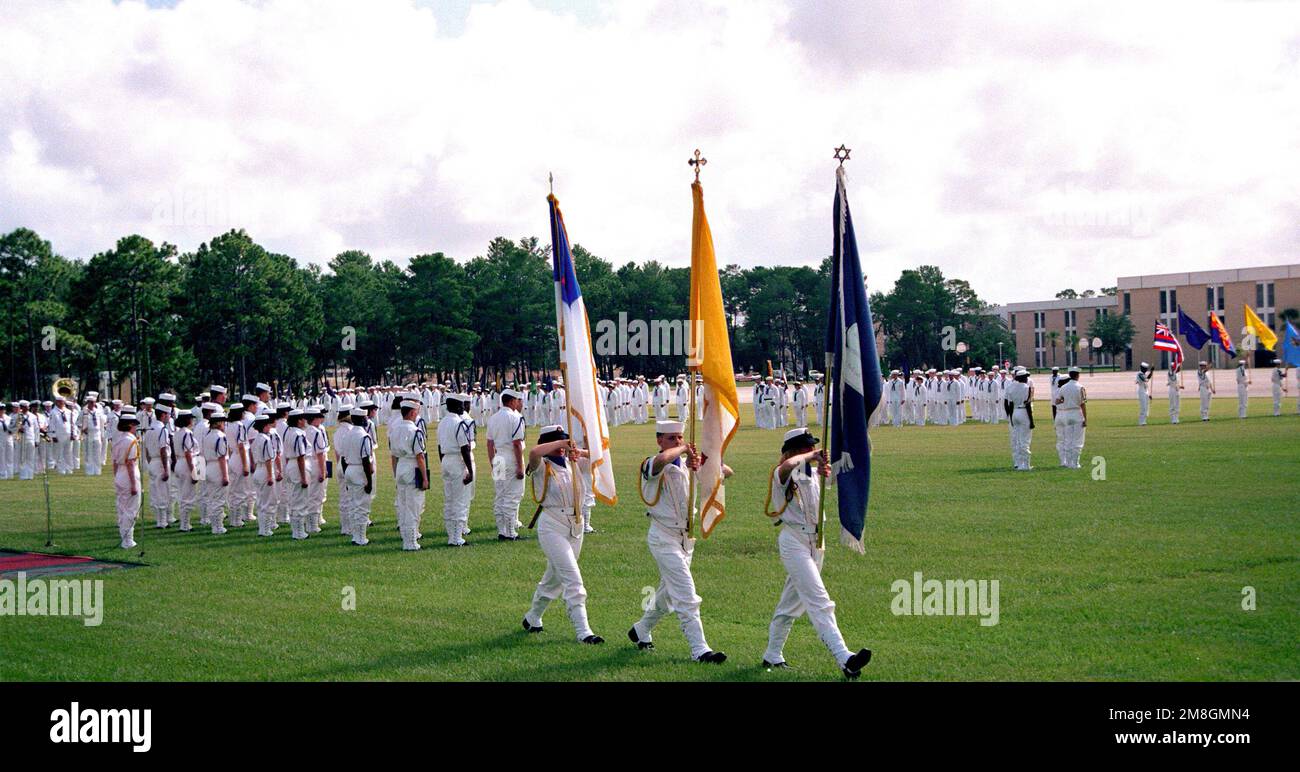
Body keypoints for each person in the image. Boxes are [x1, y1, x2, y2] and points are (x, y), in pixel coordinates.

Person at [761, 427, 872, 678]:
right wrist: (810, 458)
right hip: (794, 541)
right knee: (819, 600)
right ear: (797, 450)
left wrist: (823, 470)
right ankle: (845, 658)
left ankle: (772, 654)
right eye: (808, 447)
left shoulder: (811, 472)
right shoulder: (782, 473)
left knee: (790, 605)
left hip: (816, 541)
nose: (813, 451)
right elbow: (788, 465)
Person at [627, 420, 729, 663]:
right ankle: (700, 650)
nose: (678, 442)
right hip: (663, 537)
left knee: (667, 596)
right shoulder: (651, 464)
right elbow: (661, 461)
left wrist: (706, 462)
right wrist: (683, 451)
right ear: (659, 440)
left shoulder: (687, 465)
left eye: (680, 438)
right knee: (686, 593)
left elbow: (727, 471)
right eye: (672, 438)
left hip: (685, 539)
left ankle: (640, 630)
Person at [521, 425, 603, 644]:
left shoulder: (573, 462)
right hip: (552, 525)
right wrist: (561, 444)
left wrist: (579, 451)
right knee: (572, 577)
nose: (561, 447)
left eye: (565, 441)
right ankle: (583, 631)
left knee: (554, 578)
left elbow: (599, 456)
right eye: (556, 442)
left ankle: (532, 617)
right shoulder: (542, 465)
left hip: (575, 525)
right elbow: (533, 453)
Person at [487, 389, 527, 541]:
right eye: (517, 400)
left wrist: (492, 461)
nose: (518, 403)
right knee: (513, 495)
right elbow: (517, 444)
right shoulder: (515, 418)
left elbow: (489, 444)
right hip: (511, 456)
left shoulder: (493, 418)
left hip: (498, 457)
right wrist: (519, 466)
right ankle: (510, 532)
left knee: (500, 495)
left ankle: (502, 529)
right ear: (511, 401)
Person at [390, 399, 430, 551]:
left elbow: (393, 456)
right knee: (414, 506)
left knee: (404, 505)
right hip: (412, 466)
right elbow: (420, 456)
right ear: (413, 412)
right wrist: (425, 477)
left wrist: (395, 474)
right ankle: (411, 542)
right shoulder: (414, 430)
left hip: (401, 467)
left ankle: (407, 538)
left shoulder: (395, 429)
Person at [437, 393, 476, 546]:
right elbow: (464, 448)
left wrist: (443, 463)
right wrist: (470, 470)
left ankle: (451, 533)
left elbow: (439, 447)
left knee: (449, 499)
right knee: (459, 500)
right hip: (456, 459)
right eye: (461, 405)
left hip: (446, 459)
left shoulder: (442, 423)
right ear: (455, 406)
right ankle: (456, 537)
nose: (463, 408)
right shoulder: (458, 423)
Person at [337, 407, 375, 546]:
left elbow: (343, 458)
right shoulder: (364, 436)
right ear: (363, 419)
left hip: (349, 469)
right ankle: (360, 537)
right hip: (359, 469)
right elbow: (366, 459)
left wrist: (347, 475)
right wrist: (369, 481)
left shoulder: (347, 435)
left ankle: (355, 534)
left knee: (353, 504)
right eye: (365, 418)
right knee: (362, 506)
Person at [112, 411, 142, 549]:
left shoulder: (117, 439)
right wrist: (134, 484)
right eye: (134, 425)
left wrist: (116, 477)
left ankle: (124, 536)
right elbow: (130, 463)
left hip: (119, 474)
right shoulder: (131, 440)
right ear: (130, 425)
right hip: (129, 474)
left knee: (122, 507)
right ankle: (128, 540)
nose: (135, 428)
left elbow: (114, 462)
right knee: (131, 508)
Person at [283, 409, 314, 540]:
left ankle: (296, 529)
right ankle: (299, 532)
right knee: (300, 499)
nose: (305, 421)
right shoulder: (298, 434)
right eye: (303, 419)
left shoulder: (288, 432)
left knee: (293, 498)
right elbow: (301, 456)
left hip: (291, 464)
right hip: (298, 466)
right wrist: (303, 477)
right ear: (298, 420)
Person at [200, 408, 231, 534]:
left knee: (212, 498)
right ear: (218, 423)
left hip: (209, 467)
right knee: (219, 499)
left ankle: (215, 524)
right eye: (223, 422)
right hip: (218, 467)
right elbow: (222, 457)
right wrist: (225, 476)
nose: (224, 425)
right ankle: (218, 526)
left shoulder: (207, 436)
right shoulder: (220, 436)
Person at [142, 403, 172, 528]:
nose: (169, 417)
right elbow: (163, 449)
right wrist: (165, 468)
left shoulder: (149, 428)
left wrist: (150, 462)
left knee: (155, 491)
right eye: (168, 415)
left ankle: (159, 520)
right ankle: (162, 521)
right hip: (160, 461)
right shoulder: (162, 429)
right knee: (163, 491)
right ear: (163, 415)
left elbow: (147, 449)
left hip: (153, 462)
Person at [249, 413, 279, 537]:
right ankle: (265, 529)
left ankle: (263, 528)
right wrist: (270, 476)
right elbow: (268, 459)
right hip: (265, 470)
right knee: (268, 501)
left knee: (261, 501)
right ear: (265, 426)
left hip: (258, 470)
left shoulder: (256, 439)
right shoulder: (266, 439)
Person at [1054, 367, 1087, 469]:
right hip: (1076, 412)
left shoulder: (1063, 387)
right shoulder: (1080, 387)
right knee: (1077, 440)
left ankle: (1068, 462)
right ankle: (1075, 463)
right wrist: (1085, 418)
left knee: (1068, 439)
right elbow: (1083, 404)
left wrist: (1064, 400)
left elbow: (1057, 401)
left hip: (1066, 414)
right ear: (1077, 375)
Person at [1004, 367, 1035, 471]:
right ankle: (1025, 465)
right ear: (1023, 378)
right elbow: (1028, 405)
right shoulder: (1027, 388)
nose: (1027, 379)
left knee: (1017, 439)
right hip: (1024, 412)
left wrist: (1011, 418)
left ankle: (1019, 463)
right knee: (1025, 440)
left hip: (1015, 413)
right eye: (1026, 377)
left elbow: (1010, 404)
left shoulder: (1011, 387)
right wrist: (1031, 421)